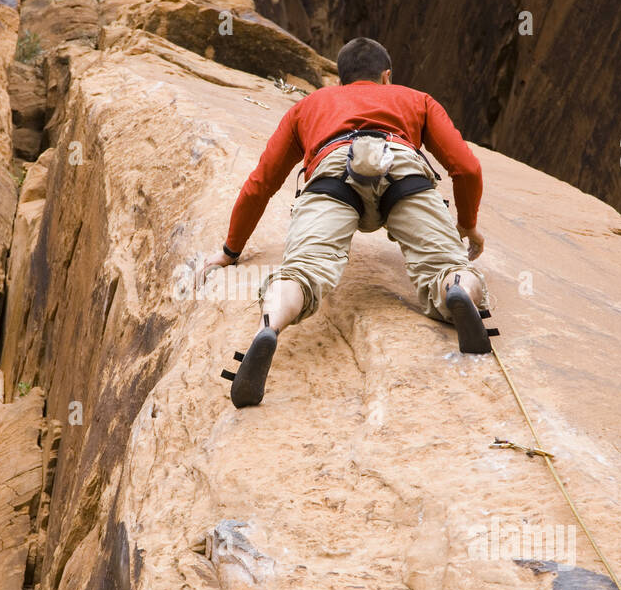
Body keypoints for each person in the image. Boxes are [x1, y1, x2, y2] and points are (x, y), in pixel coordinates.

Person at [203, 37, 491, 408]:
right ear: (386, 76)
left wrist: (231, 250)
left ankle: (270, 326)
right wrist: (467, 224)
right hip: (402, 171)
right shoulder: (415, 98)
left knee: (303, 271)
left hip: (332, 173)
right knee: (446, 265)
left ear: (340, 80)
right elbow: (466, 167)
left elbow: (261, 185)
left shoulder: (310, 106)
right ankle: (457, 290)